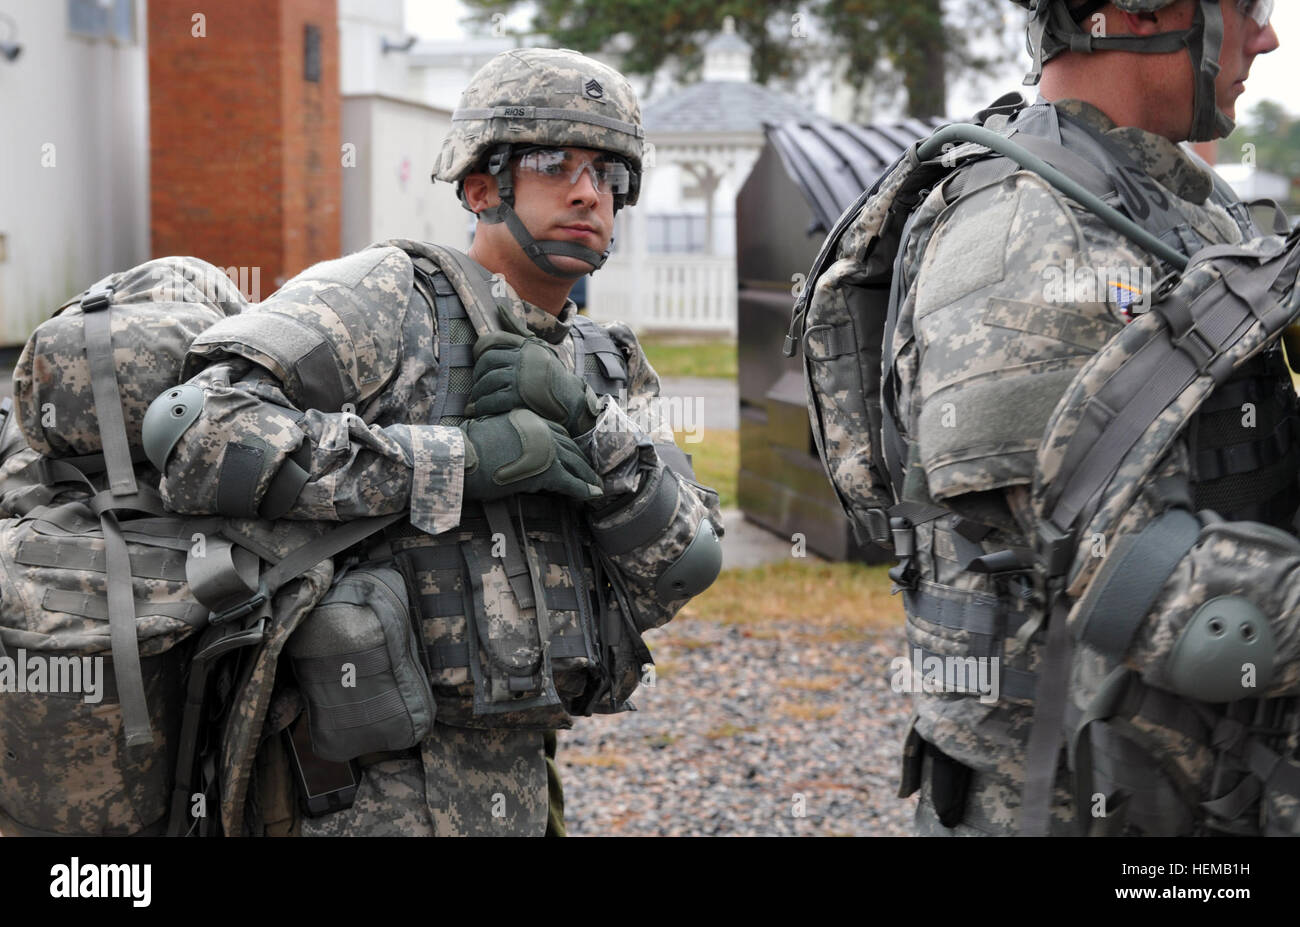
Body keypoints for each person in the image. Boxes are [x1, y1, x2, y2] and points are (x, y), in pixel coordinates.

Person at [144, 47, 723, 836]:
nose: (589, 191)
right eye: (555, 162)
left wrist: (587, 422)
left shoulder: (603, 365)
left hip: (514, 778)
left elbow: (684, 564)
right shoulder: (387, 297)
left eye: (610, 174)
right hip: (352, 793)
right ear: (482, 185)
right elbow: (194, 434)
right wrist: (459, 464)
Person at [865, 0, 1297, 835]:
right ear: (1141, 13)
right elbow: (1154, 596)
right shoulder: (1024, 229)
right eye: (1249, 6)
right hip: (1067, 802)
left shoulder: (1187, 202)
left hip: (1197, 786)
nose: (1268, 34)